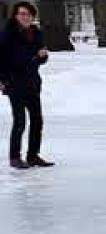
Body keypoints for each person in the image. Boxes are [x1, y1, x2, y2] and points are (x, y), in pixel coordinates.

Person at [0, 1, 54, 169]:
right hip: (14, 82)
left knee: (37, 120)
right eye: (22, 14)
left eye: (28, 14)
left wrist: (42, 56)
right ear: (16, 16)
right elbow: (6, 59)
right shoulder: (8, 33)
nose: (25, 17)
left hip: (32, 83)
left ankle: (33, 155)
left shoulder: (36, 33)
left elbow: (40, 56)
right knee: (20, 121)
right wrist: (2, 80)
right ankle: (15, 157)